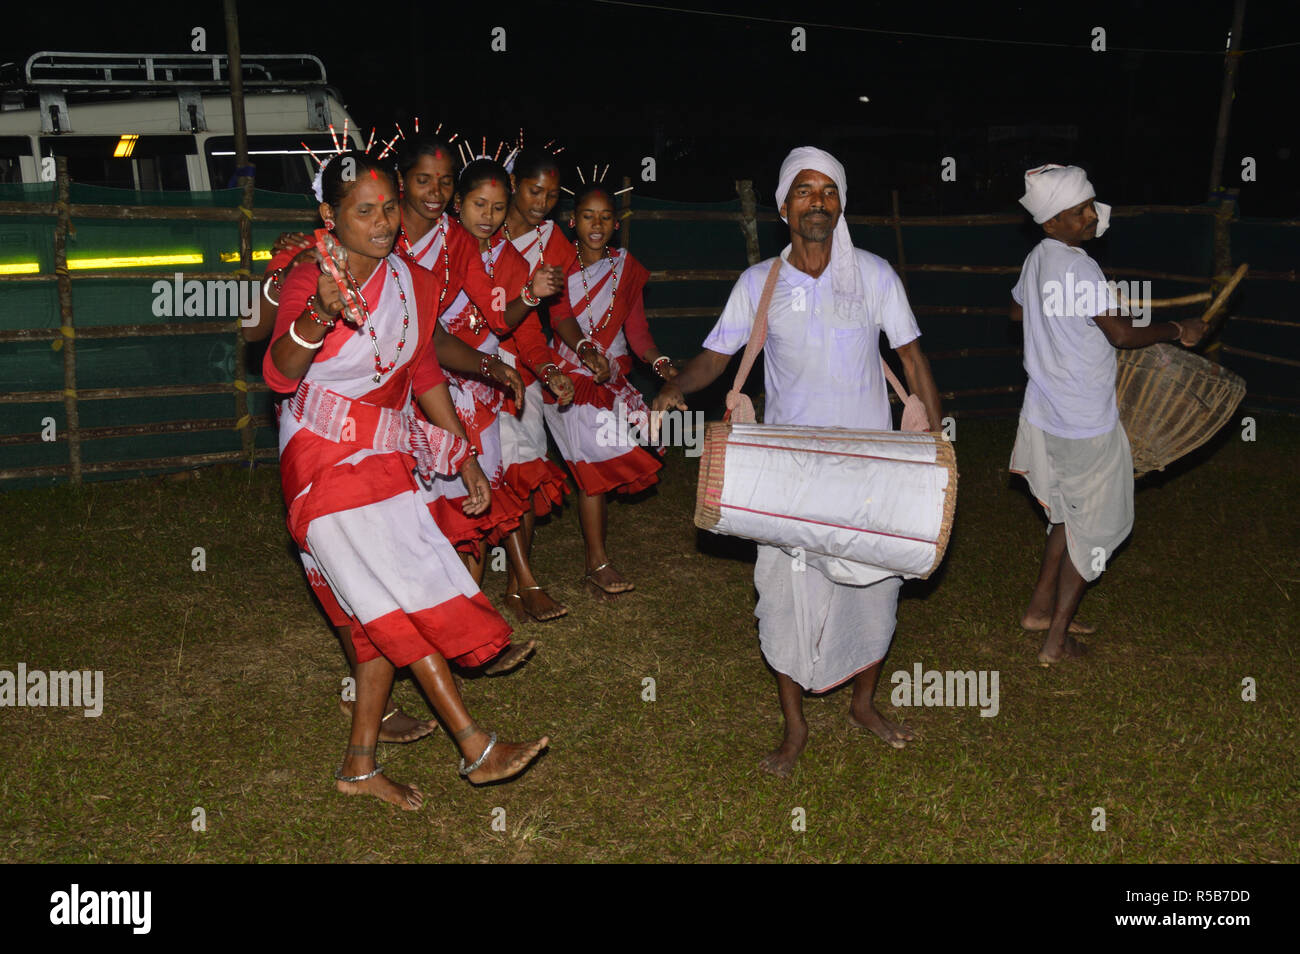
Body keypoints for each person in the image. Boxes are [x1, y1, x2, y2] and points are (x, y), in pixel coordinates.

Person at [263, 150, 548, 809]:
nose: (385, 221)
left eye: (390, 206)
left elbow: (422, 370)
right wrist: (318, 317)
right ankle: (475, 745)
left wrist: (465, 454)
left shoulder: (412, 283)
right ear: (329, 216)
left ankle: (360, 765)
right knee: (404, 592)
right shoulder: (309, 276)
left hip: (385, 458)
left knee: (375, 613)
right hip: (322, 458)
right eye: (365, 211)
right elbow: (278, 376)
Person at [653, 147, 942, 777]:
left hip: (869, 469)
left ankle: (864, 704)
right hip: (788, 472)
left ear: (841, 205)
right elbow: (717, 359)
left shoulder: (873, 275)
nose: (818, 202)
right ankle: (794, 728)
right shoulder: (761, 285)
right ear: (785, 207)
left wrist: (936, 448)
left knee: (877, 593)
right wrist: (678, 385)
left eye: (828, 192)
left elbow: (913, 359)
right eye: (804, 192)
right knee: (783, 595)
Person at [1008, 163, 1206, 664]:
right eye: (1078, 212)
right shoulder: (1078, 266)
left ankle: (1037, 610)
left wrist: (1076, 314)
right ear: (1051, 222)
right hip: (1082, 420)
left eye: (1091, 205)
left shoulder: (1039, 259)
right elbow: (1122, 336)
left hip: (1043, 411)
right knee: (1094, 527)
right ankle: (1056, 639)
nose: (1091, 216)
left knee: (1067, 514)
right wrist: (1177, 330)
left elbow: (1017, 312)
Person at [409, 155, 570, 615]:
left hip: (485, 385)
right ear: (458, 203)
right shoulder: (426, 246)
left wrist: (543, 365)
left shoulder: (511, 260)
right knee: (429, 495)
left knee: (484, 492)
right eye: (479, 204)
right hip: (426, 383)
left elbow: (516, 327)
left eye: (497, 208)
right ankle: (435, 601)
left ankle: (481, 603)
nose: (488, 216)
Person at [544, 182, 676, 595]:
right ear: (572, 221)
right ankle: (597, 562)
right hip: (566, 380)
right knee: (594, 467)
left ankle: (595, 560)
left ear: (616, 224)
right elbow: (559, 318)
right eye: (588, 216)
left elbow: (637, 333)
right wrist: (584, 354)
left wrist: (660, 363)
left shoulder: (626, 268)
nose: (596, 224)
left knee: (596, 466)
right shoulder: (557, 266)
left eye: (605, 217)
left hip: (611, 380)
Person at [499, 148, 578, 620]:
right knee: (510, 469)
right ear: (513, 184)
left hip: (525, 366)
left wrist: (573, 355)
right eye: (534, 191)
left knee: (525, 476)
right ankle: (525, 581)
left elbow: (557, 315)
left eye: (551, 195)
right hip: (472, 364)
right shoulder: (476, 228)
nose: (542, 202)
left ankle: (513, 584)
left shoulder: (555, 245)